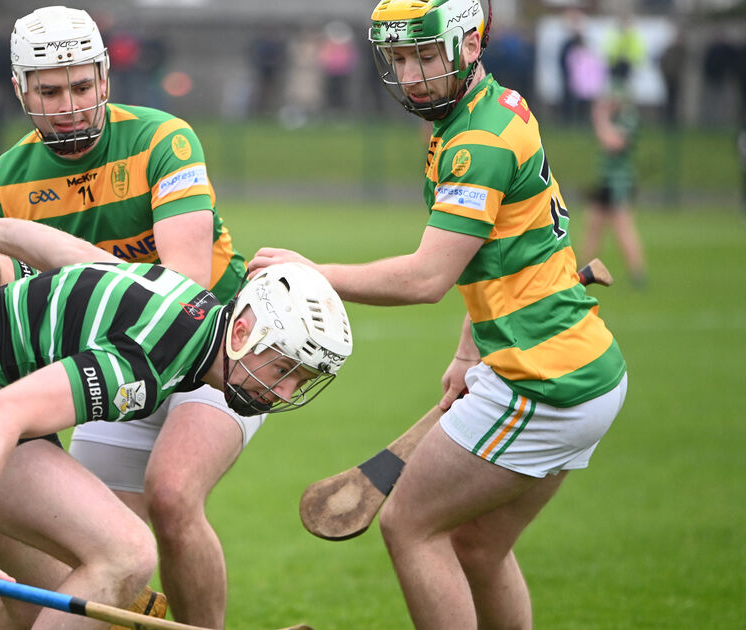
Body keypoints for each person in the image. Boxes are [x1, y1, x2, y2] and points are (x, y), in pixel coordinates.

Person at [250, 2, 628, 628]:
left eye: (426, 55)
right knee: (479, 546)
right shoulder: (490, 108)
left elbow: (429, 277)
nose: (413, 74)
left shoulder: (475, 141)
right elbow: (497, 259)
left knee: (410, 526)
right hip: (576, 368)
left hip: (543, 381)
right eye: (400, 58)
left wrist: (314, 271)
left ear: (471, 46)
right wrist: (465, 353)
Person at [0, 231, 353, 628]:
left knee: (62, 593)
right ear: (243, 333)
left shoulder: (195, 308)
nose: (286, 393)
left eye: (302, 381)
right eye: (284, 369)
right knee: (125, 553)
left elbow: (79, 257)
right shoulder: (150, 358)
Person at [0, 6, 255, 625]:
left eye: (81, 85)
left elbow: (182, 291)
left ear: (104, 78)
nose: (69, 103)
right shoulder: (5, 181)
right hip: (116, 365)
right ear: (21, 90)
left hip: (212, 351)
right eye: (49, 90)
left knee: (173, 494)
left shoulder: (163, 139)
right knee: (91, 551)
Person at [582, 60, 647, 289]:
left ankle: (638, 274)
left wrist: (600, 117)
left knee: (623, 227)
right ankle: (582, 274)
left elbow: (612, 142)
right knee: (593, 225)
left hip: (620, 182)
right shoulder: (617, 97)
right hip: (605, 179)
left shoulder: (627, 114)